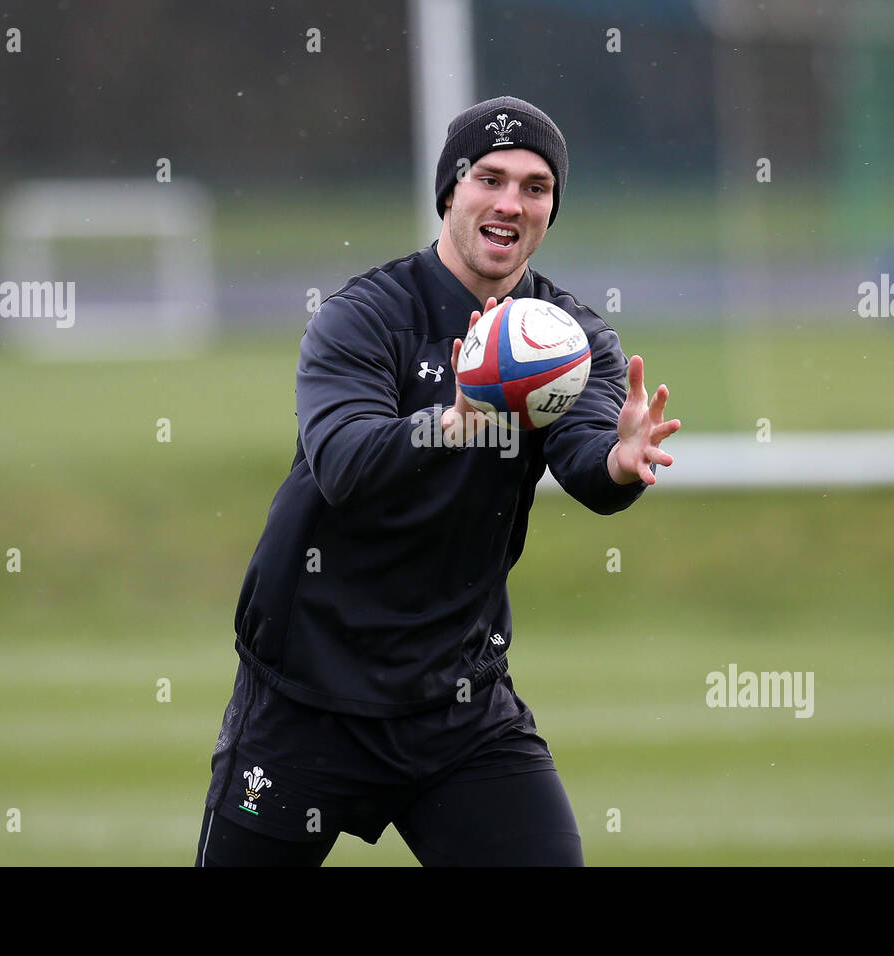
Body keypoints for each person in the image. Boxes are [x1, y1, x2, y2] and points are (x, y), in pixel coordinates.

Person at [196, 95, 680, 866]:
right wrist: (450, 424)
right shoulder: (365, 318)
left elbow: (586, 456)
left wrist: (619, 466)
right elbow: (346, 463)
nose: (510, 202)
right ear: (449, 192)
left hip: (457, 704)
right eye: (490, 178)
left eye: (534, 186)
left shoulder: (571, 341)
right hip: (306, 701)